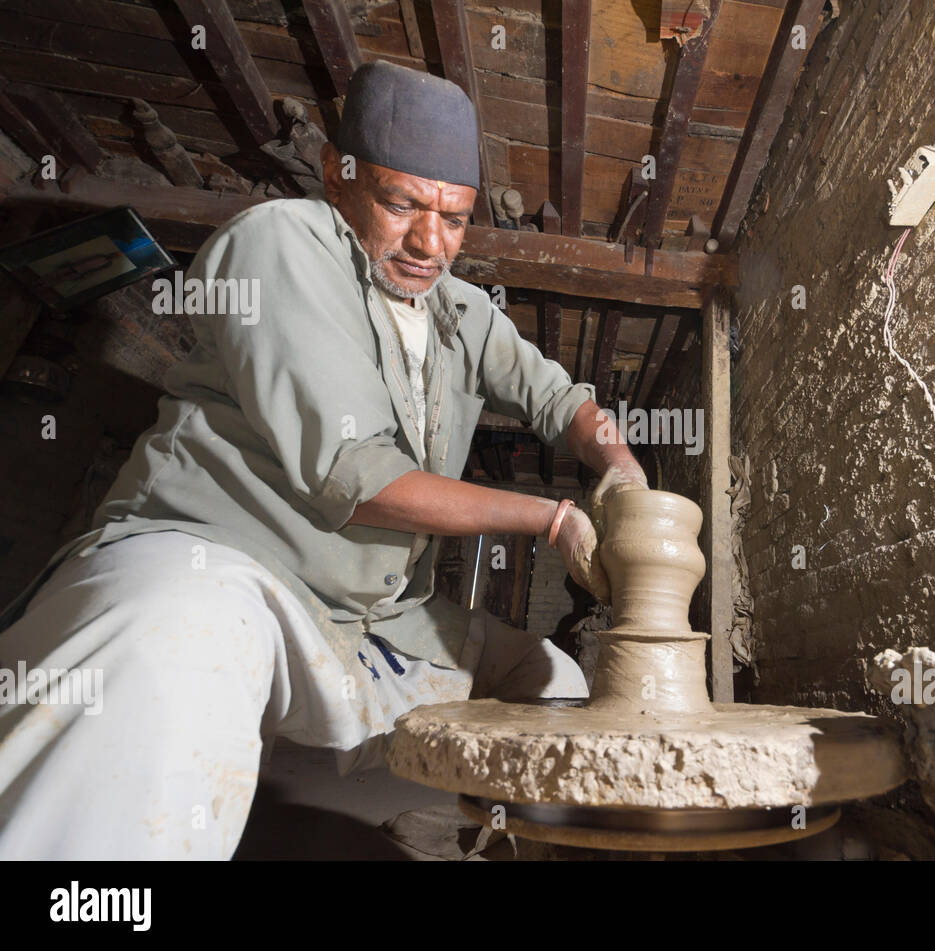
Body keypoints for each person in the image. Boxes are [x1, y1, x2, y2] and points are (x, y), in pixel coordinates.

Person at [0, 61, 647, 859]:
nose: (429, 242)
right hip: (227, 565)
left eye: (454, 216)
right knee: (161, 650)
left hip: (378, 617)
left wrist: (623, 474)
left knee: (558, 683)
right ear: (342, 181)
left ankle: (505, 840)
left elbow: (559, 400)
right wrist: (553, 518)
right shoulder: (279, 247)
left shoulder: (456, 309)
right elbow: (358, 472)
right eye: (402, 202)